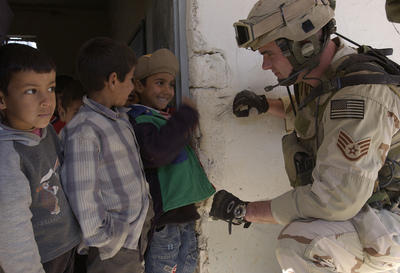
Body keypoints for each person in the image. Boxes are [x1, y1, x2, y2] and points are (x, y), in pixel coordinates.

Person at [210, 0, 400, 272]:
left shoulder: (359, 96)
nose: (265, 65)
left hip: (390, 217)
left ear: (303, 47)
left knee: (301, 242)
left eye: (269, 54)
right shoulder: (325, 80)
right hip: (375, 210)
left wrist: (244, 211)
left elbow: (334, 200)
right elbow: (319, 116)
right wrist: (267, 105)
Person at [61, 37, 153, 273]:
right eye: (130, 79)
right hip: (114, 248)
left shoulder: (116, 118)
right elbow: (83, 199)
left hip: (131, 237)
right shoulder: (84, 131)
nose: (133, 86)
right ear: (113, 80)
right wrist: (110, 239)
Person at [126, 48, 216, 273]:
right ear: (138, 86)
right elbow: (156, 152)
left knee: (186, 266)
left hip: (184, 214)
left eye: (170, 84)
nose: (167, 90)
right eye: (159, 82)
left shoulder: (165, 116)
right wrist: (184, 119)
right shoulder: (138, 119)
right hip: (164, 219)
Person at [0, 43, 80, 273]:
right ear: (2, 100)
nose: (47, 100)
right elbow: (11, 232)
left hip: (66, 246)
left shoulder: (47, 132)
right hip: (40, 260)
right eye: (31, 91)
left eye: (51, 88)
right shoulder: (8, 157)